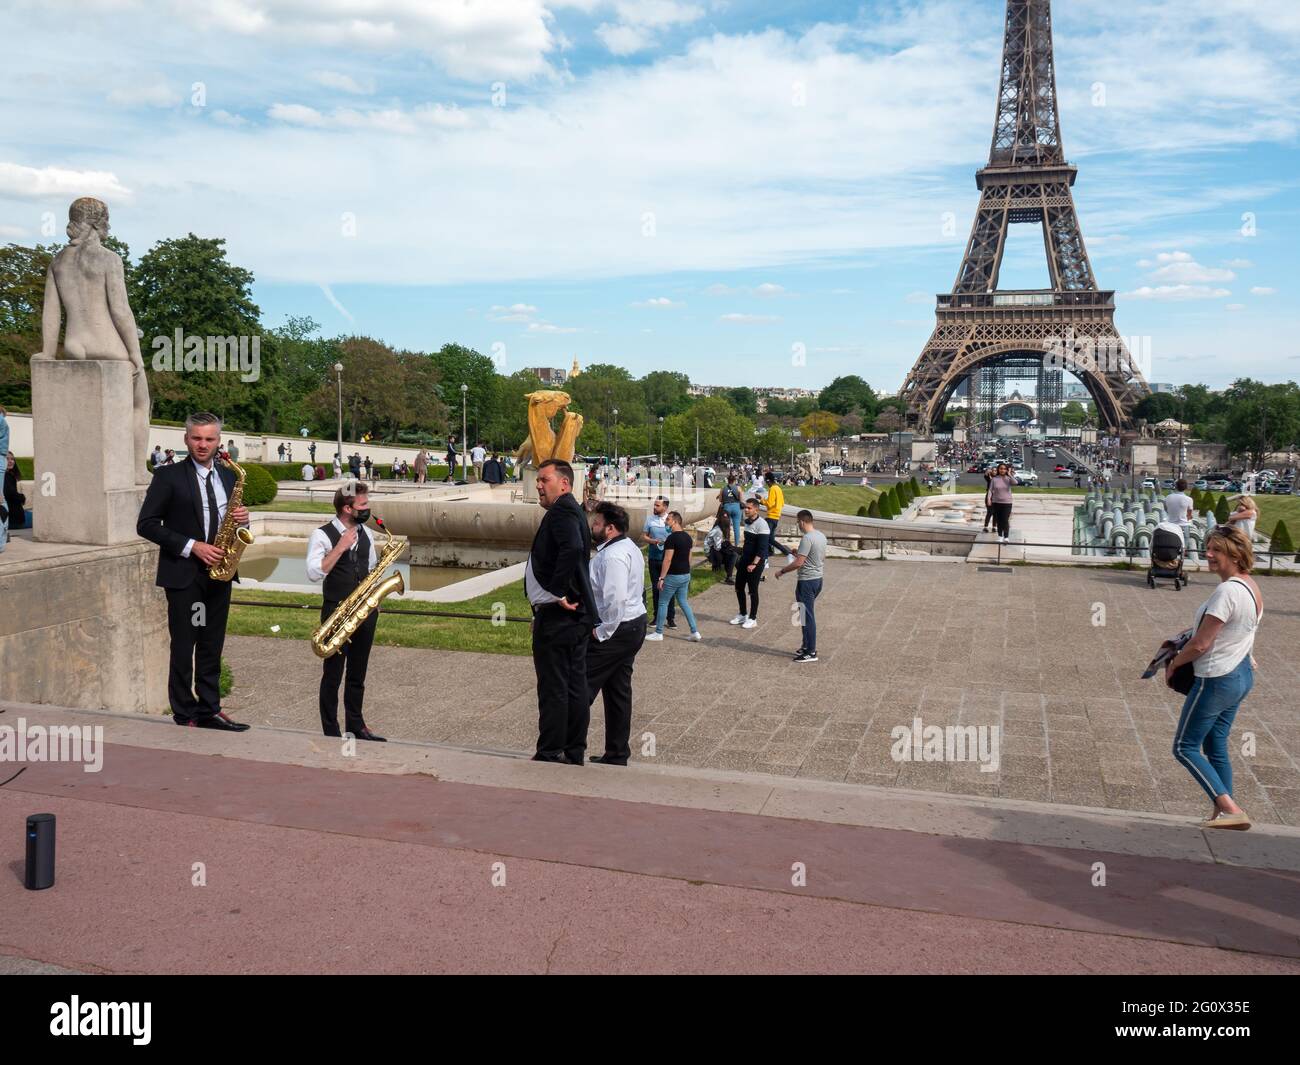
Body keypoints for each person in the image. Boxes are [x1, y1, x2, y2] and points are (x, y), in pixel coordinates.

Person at [136, 412, 251, 732]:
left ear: (219, 441)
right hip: (184, 572)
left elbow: (236, 521)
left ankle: (210, 709)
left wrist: (243, 519)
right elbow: (145, 525)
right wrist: (192, 546)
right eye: (197, 438)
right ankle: (184, 712)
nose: (203, 444)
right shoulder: (168, 476)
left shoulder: (229, 477)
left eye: (209, 439)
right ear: (186, 439)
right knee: (184, 644)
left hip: (220, 572)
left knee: (212, 643)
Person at [1165, 526, 1262, 830]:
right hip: (1241, 674)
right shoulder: (1250, 586)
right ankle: (1224, 813)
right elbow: (1243, 630)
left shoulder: (1227, 591)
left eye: (1216, 550)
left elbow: (1201, 645)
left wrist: (1173, 664)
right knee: (1216, 743)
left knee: (1184, 746)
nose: (1208, 554)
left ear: (1235, 554)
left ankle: (1230, 808)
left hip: (1218, 677)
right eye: (1208, 548)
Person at [527, 459, 598, 764]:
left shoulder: (562, 510)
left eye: (544, 479)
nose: (538, 485)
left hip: (560, 616)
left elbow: (570, 549)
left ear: (564, 484)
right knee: (573, 682)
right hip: (572, 614)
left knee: (556, 685)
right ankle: (572, 749)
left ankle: (551, 749)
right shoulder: (572, 509)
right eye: (538, 480)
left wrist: (556, 591)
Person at [306, 482, 387, 742]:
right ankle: (331, 730)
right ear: (346, 508)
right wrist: (340, 546)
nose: (368, 509)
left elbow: (371, 568)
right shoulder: (322, 535)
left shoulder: (366, 533)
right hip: (336, 612)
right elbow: (313, 573)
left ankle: (356, 725)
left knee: (357, 672)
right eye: (363, 505)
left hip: (364, 611)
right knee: (332, 674)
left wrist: (374, 597)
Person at [584, 501, 647, 765]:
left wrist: (602, 632)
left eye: (596, 523)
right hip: (632, 624)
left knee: (580, 685)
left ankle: (566, 745)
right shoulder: (627, 546)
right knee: (617, 689)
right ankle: (617, 752)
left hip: (618, 628)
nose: (592, 527)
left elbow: (616, 599)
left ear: (610, 528)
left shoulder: (612, 556)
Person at [774, 510, 827, 663]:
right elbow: (816, 556)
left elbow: (799, 563)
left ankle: (811, 652)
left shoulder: (807, 538)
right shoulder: (820, 536)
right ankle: (806, 645)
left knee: (807, 616)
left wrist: (781, 571)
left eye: (798, 522)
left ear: (802, 522)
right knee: (804, 615)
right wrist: (799, 553)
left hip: (806, 582)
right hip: (818, 580)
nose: (798, 525)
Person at [644, 510, 702, 642]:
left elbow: (667, 560)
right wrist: (687, 571)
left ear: (675, 521)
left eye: (668, 520)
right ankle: (694, 631)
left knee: (663, 602)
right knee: (683, 602)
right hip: (685, 575)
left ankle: (658, 632)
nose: (665, 522)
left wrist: (661, 577)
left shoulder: (671, 538)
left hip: (672, 576)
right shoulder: (687, 537)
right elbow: (689, 556)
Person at [730, 497, 769, 629]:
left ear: (756, 509)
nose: (746, 510)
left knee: (753, 590)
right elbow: (748, 544)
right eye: (745, 507)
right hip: (744, 560)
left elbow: (762, 548)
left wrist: (754, 564)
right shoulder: (747, 522)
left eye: (749, 508)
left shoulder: (762, 525)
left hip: (756, 563)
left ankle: (753, 618)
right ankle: (742, 614)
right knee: (739, 587)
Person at [643, 495, 676, 628]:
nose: (654, 507)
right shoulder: (650, 519)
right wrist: (652, 541)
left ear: (665, 507)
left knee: (669, 588)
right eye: (654, 505)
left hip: (667, 559)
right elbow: (644, 536)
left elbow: (676, 535)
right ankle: (657, 617)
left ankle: (670, 617)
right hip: (653, 558)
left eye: (657, 505)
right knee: (656, 588)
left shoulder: (670, 520)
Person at [763, 469, 792, 559]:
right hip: (777, 516)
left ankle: (786, 552)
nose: (766, 484)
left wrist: (761, 500)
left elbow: (769, 504)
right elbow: (782, 503)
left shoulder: (772, 489)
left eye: (766, 481)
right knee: (770, 538)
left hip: (771, 516)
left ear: (768, 480)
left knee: (766, 537)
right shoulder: (778, 489)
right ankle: (770, 552)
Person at [705, 507, 737, 584]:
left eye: (727, 518)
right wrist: (730, 549)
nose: (726, 520)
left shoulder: (724, 529)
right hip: (713, 553)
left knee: (736, 554)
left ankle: (743, 575)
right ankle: (729, 577)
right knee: (734, 554)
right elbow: (717, 547)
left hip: (718, 550)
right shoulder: (718, 530)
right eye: (724, 518)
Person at [988, 462, 1015, 542]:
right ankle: (1000, 536)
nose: (1002, 470)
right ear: (998, 469)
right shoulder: (994, 479)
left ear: (1006, 470)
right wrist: (988, 499)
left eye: (1004, 469)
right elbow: (990, 490)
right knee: (999, 520)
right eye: (1001, 469)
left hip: (1007, 502)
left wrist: (1009, 474)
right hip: (996, 502)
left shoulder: (1008, 478)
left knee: (1005, 520)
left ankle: (1006, 537)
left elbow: (1015, 483)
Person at [1165, 479, 1195, 546]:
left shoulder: (1168, 497)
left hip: (1171, 524)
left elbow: (1166, 509)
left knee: (1171, 545)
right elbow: (1189, 515)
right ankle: (1184, 551)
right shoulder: (1189, 499)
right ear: (1186, 488)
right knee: (1184, 545)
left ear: (1176, 486)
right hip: (1184, 525)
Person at [717, 473, 743, 544]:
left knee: (726, 527)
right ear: (735, 480)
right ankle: (737, 544)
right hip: (736, 507)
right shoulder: (738, 488)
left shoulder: (723, 488)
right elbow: (741, 500)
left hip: (727, 508)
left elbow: (720, 500)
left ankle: (727, 543)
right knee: (736, 527)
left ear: (727, 480)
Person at [4, 451, 25, 533]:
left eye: (12, 459)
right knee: (38, 517)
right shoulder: (7, 476)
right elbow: (12, 495)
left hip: (9, 519)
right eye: (7, 459)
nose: (10, 461)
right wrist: (22, 497)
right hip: (14, 522)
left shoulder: (8, 475)